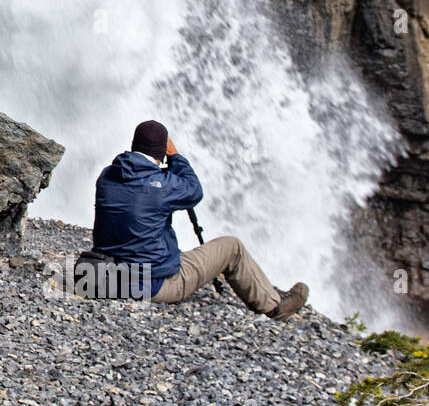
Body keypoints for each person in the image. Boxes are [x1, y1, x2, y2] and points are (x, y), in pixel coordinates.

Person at [91, 119, 309, 320]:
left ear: (134, 144)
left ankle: (265, 288)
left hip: (105, 276)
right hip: (151, 285)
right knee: (232, 247)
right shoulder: (164, 185)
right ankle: (274, 307)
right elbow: (194, 190)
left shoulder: (107, 175)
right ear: (162, 151)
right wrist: (175, 156)